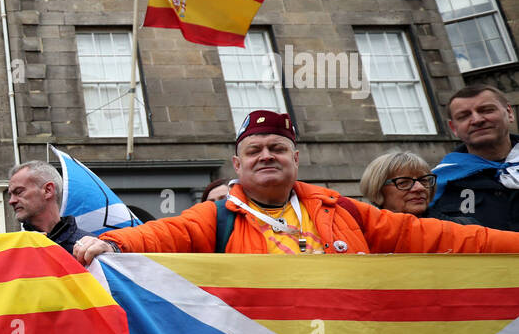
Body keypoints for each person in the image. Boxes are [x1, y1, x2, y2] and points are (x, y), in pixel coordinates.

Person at [72, 109, 519, 263]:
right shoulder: (216, 216)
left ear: (295, 159)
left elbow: (444, 236)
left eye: (277, 148)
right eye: (254, 151)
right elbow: (166, 234)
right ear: (238, 164)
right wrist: (112, 245)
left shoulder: (343, 210)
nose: (266, 156)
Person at [429, 84, 519, 230]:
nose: (477, 120)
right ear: (453, 128)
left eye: (487, 110)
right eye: (464, 116)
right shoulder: (436, 185)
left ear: (509, 113)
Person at [6, 160, 85, 255]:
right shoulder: (10, 251)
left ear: (48, 190)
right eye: (10, 195)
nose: (11, 201)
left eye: (19, 192)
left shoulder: (89, 248)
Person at [358, 152, 436, 216]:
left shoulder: (446, 227)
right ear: (378, 189)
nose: (420, 188)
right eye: (403, 182)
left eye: (423, 180)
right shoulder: (362, 232)